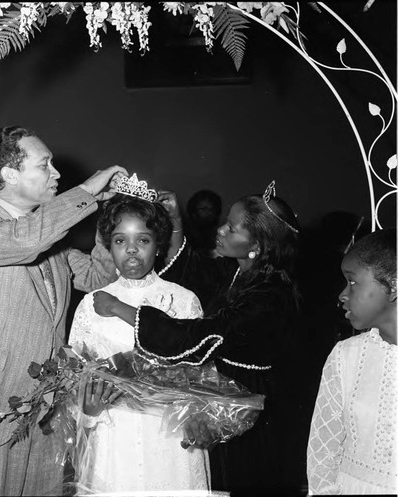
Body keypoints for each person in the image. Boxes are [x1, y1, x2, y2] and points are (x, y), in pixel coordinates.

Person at [0, 125, 128, 496]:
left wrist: (106, 220)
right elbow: (23, 242)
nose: (56, 174)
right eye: (45, 165)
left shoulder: (49, 239)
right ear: (9, 175)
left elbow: (98, 276)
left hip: (43, 413)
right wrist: (85, 192)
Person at [93, 180, 301, 495]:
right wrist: (176, 221)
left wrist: (122, 309)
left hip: (246, 403)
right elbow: (199, 273)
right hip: (223, 392)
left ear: (257, 244)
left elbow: (199, 336)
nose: (220, 230)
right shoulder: (241, 270)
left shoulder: (269, 294)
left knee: (240, 478)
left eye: (231, 229)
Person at [68, 191, 211, 494]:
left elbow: (200, 376)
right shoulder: (90, 305)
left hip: (169, 437)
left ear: (158, 244)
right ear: (109, 245)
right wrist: (87, 410)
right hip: (113, 435)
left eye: (142, 240)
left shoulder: (184, 301)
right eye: (120, 241)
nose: (131, 250)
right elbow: (75, 379)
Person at [307, 228, 397, 495]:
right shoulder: (345, 356)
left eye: (353, 282)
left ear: (393, 285)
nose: (343, 294)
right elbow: (323, 451)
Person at [185, 189, 222, 257]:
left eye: (211, 209)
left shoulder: (221, 234)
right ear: (194, 213)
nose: (209, 213)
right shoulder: (186, 238)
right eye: (204, 209)